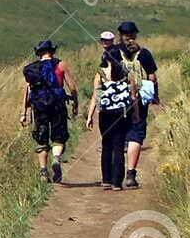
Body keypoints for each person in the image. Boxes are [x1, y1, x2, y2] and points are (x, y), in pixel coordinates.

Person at [20, 39, 76, 184]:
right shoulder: (60, 64)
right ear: (52, 51)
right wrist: (75, 103)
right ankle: (56, 159)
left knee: (41, 138)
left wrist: (23, 113)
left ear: (39, 53)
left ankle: (43, 171)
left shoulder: (32, 69)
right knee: (59, 136)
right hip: (57, 105)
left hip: (39, 107)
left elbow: (27, 91)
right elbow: (72, 87)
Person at [85, 30, 136, 190]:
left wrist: (90, 116)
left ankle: (106, 179)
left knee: (106, 145)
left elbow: (96, 96)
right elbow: (133, 97)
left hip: (105, 114)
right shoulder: (128, 74)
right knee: (119, 146)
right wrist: (136, 115)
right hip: (122, 113)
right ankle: (116, 182)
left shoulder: (100, 74)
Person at [116, 19, 159, 189]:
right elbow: (152, 78)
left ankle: (115, 175)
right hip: (139, 99)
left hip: (117, 99)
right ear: (135, 35)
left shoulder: (113, 52)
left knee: (118, 134)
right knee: (136, 134)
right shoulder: (144, 54)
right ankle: (131, 174)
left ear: (121, 35)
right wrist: (155, 96)